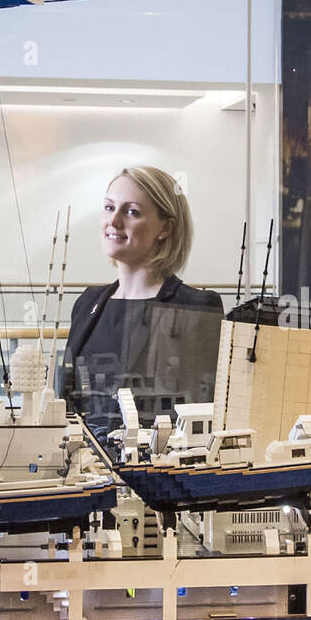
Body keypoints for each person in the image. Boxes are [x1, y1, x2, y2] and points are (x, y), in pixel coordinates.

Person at [57, 166, 224, 438]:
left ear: (166, 228)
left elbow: (203, 409)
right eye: (109, 208)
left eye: (131, 211)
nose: (114, 221)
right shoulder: (86, 304)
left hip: (159, 469)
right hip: (85, 470)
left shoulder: (196, 307)